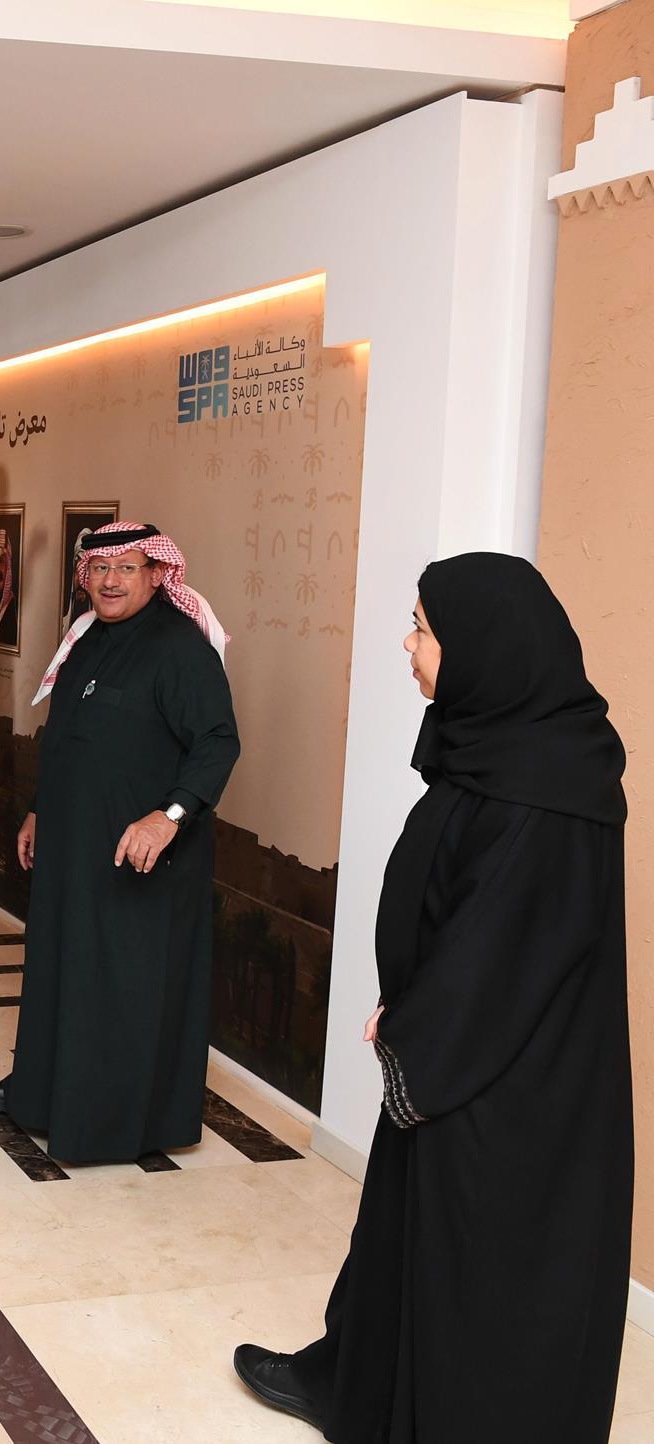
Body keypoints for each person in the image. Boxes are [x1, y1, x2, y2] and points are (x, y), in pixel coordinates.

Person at [233, 554, 632, 1443]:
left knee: (476, 1261)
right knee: (403, 1237)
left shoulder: (550, 792)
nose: (407, 645)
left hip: (507, 1090)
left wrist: (416, 1025)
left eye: (421, 628)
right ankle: (355, 1385)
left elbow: (505, 953)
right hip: (458, 1054)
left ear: (480, 645)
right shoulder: (492, 747)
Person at [0, 523, 238, 1160]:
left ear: (156, 574)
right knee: (61, 969)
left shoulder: (179, 648)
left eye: (126, 568)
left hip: (139, 859)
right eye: (99, 569)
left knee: (121, 983)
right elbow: (67, 737)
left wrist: (168, 817)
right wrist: (41, 810)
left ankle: (107, 1122)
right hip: (73, 849)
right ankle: (40, 1092)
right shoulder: (86, 636)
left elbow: (219, 742)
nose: (110, 581)